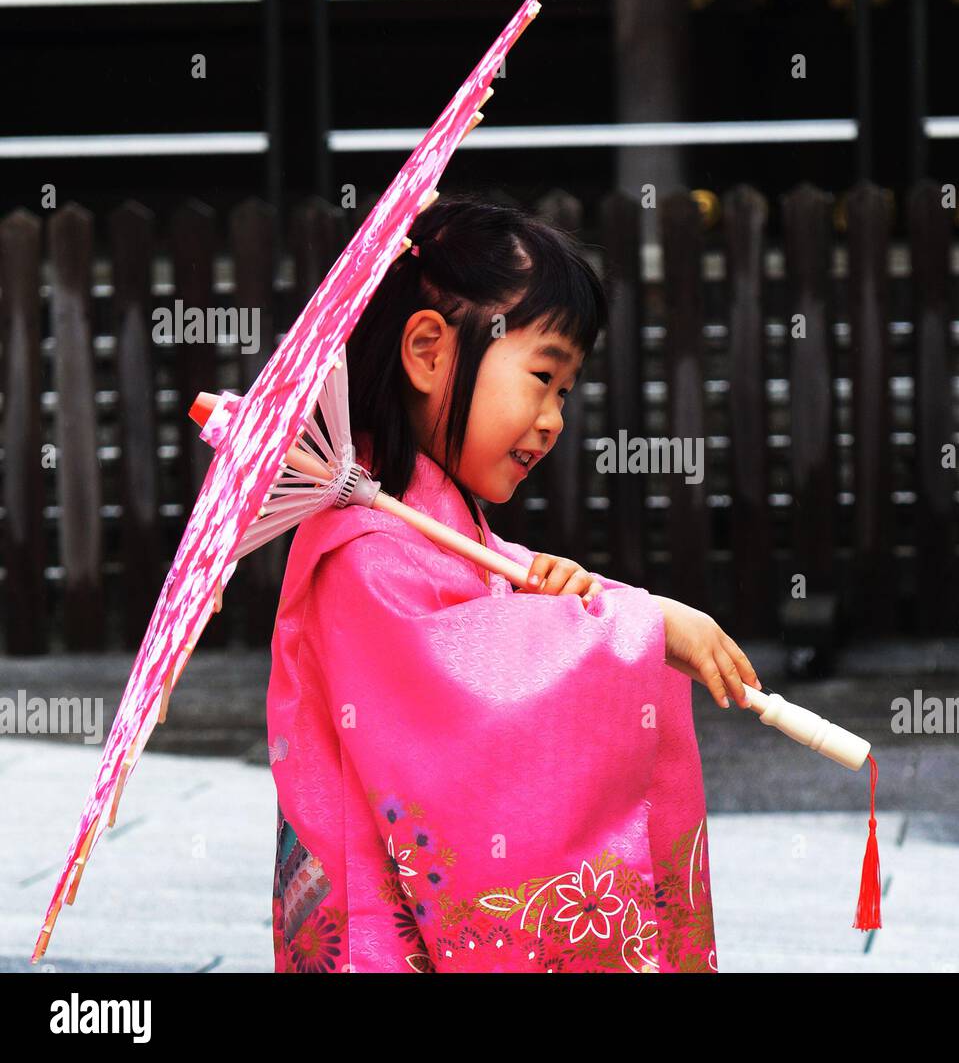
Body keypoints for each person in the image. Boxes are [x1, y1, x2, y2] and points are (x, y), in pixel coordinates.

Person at [266, 196, 762, 972]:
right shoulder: (359, 548)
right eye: (543, 376)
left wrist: (544, 602)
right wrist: (640, 624)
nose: (555, 418)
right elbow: (463, 697)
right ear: (427, 352)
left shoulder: (428, 522)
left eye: (565, 392)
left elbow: (486, 636)